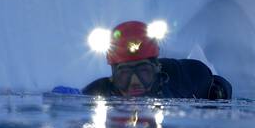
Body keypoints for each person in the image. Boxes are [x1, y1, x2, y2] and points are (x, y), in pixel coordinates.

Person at [82, 21, 232, 100]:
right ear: (113, 77)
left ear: (157, 68)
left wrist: (218, 93)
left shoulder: (181, 77)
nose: (135, 82)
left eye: (143, 72)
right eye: (125, 75)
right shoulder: (100, 91)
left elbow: (221, 84)